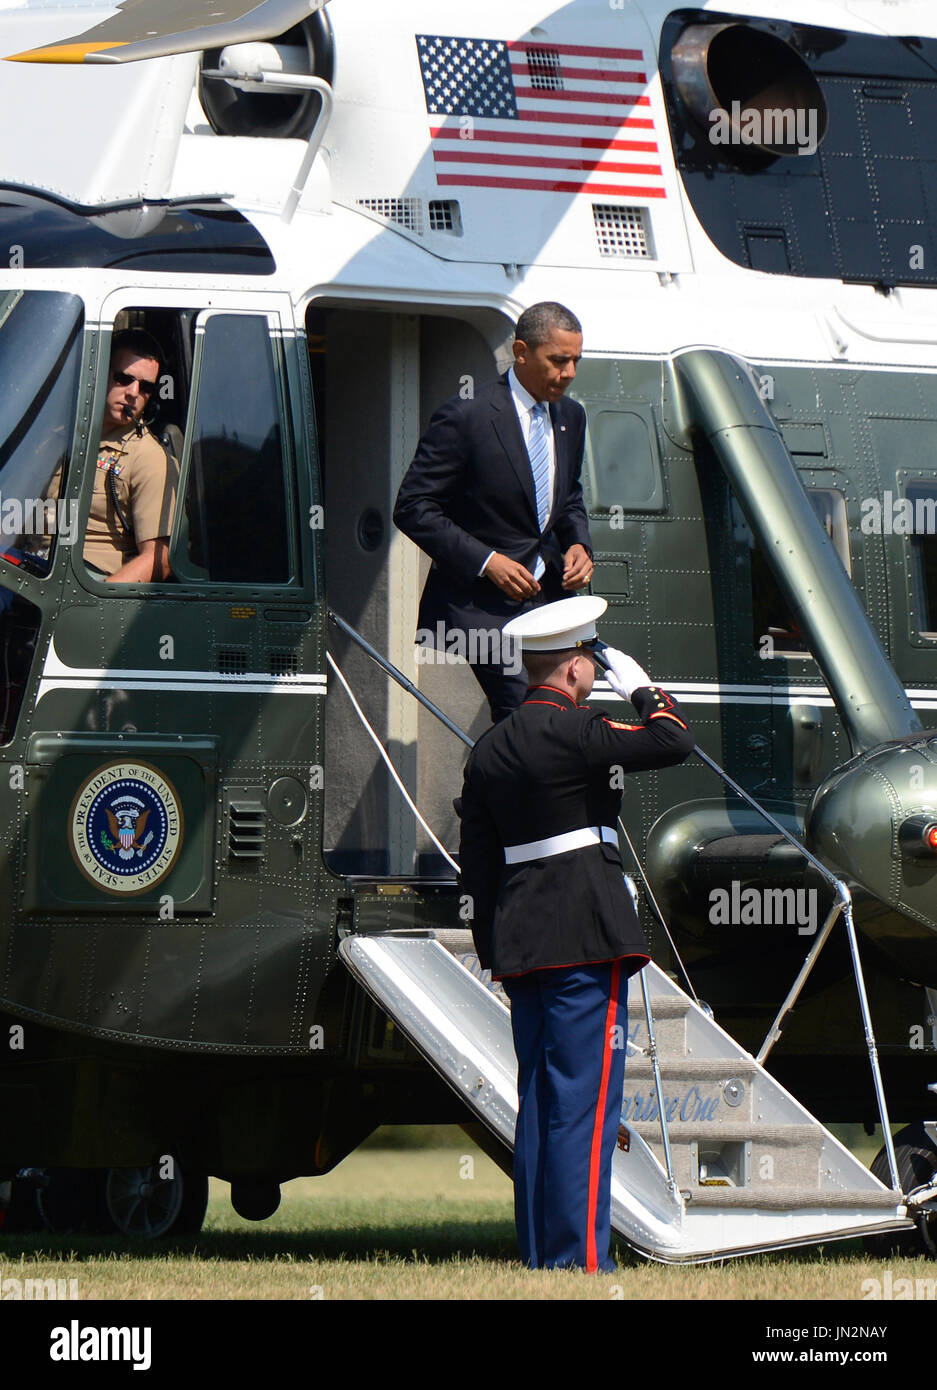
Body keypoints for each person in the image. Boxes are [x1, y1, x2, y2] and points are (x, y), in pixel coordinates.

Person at [457, 596, 695, 1272]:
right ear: (570, 670)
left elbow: (477, 866)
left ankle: (542, 1254)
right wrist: (645, 688)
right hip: (582, 938)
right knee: (583, 1106)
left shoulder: (490, 749)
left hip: (522, 944)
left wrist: (491, 949)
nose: (593, 671)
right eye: (589, 660)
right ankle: (578, 1261)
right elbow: (673, 740)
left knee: (538, 1102)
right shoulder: (577, 729)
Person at [393, 302, 594, 721]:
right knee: (525, 711)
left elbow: (568, 495)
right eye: (559, 361)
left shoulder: (571, 417)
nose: (569, 373)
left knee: (557, 712)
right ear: (521, 351)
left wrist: (578, 543)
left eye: (576, 360)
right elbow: (413, 507)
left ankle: (490, 787)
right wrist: (487, 562)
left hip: (550, 598)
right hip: (484, 606)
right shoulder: (466, 415)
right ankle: (488, 787)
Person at [85, 329, 177, 582]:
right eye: (123, 378)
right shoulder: (57, 435)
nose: (134, 393)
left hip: (86, 585)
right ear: (101, 372)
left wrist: (95, 605)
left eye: (146, 387)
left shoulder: (148, 458)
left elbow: (159, 559)